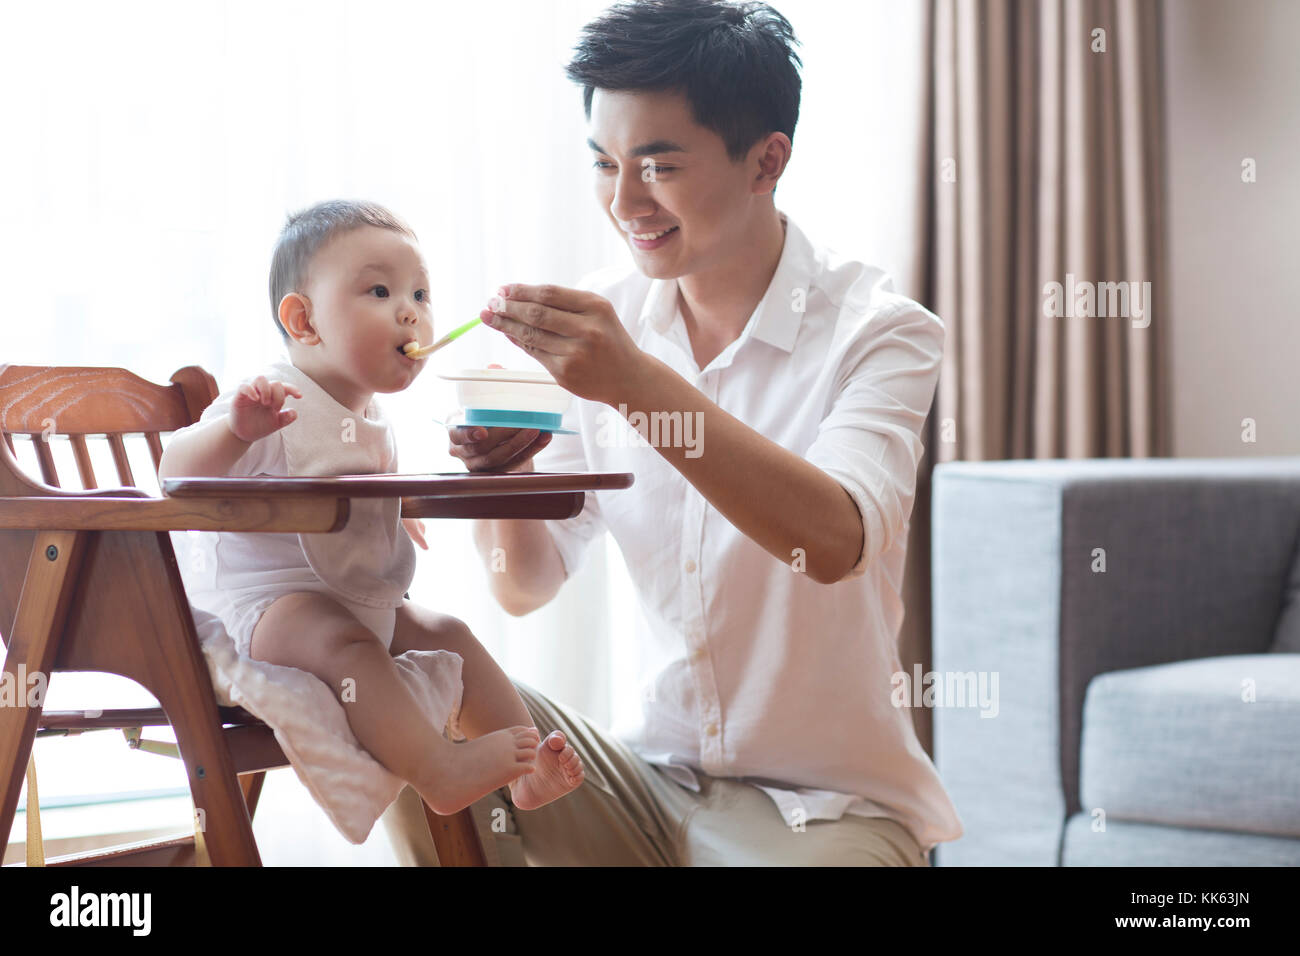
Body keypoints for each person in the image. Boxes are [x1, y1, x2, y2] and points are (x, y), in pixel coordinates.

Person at [381, 0, 963, 866]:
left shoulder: (880, 333)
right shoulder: (608, 323)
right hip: (644, 786)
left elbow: (836, 538)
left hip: (830, 812)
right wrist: (507, 474)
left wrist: (635, 385)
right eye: (604, 163)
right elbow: (525, 587)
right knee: (409, 713)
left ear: (767, 161)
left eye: (657, 166)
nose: (623, 202)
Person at [160, 199, 585, 822]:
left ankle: (527, 778)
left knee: (450, 635)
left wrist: (394, 510)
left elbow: (353, 485)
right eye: (381, 290)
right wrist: (236, 432)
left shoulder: (369, 418)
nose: (410, 310)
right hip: (263, 614)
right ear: (303, 321)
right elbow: (173, 471)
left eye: (420, 292)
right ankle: (441, 772)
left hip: (356, 599)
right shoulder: (268, 400)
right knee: (348, 646)